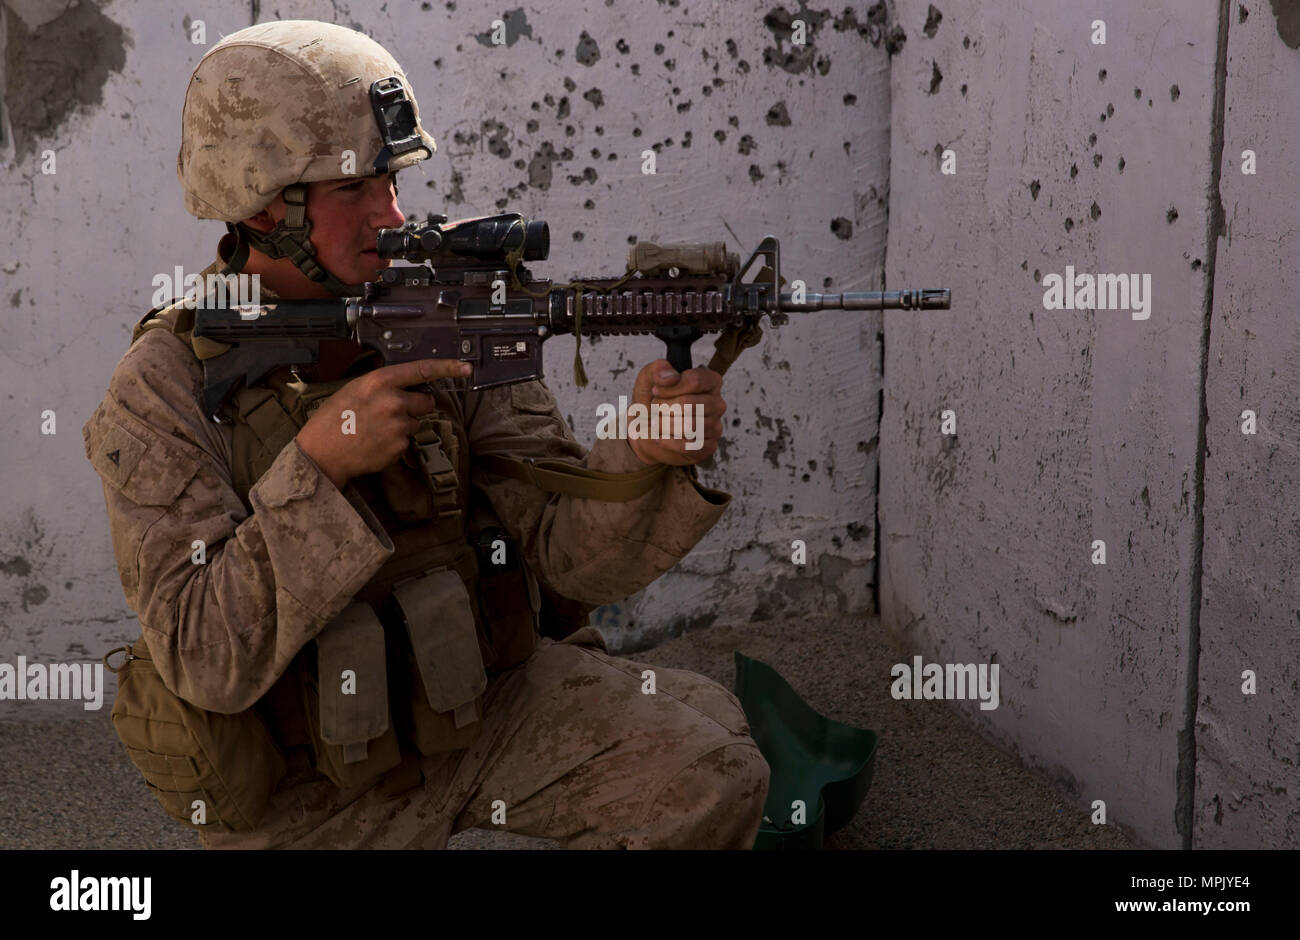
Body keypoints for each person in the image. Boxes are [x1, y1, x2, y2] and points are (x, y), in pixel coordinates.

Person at [81, 19, 769, 849]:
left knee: (715, 770)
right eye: (355, 188)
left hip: (489, 705)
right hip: (318, 788)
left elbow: (561, 555)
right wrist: (318, 469)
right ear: (266, 205)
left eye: (394, 182)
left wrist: (645, 454)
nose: (393, 214)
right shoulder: (164, 387)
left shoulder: (437, 315)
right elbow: (201, 656)